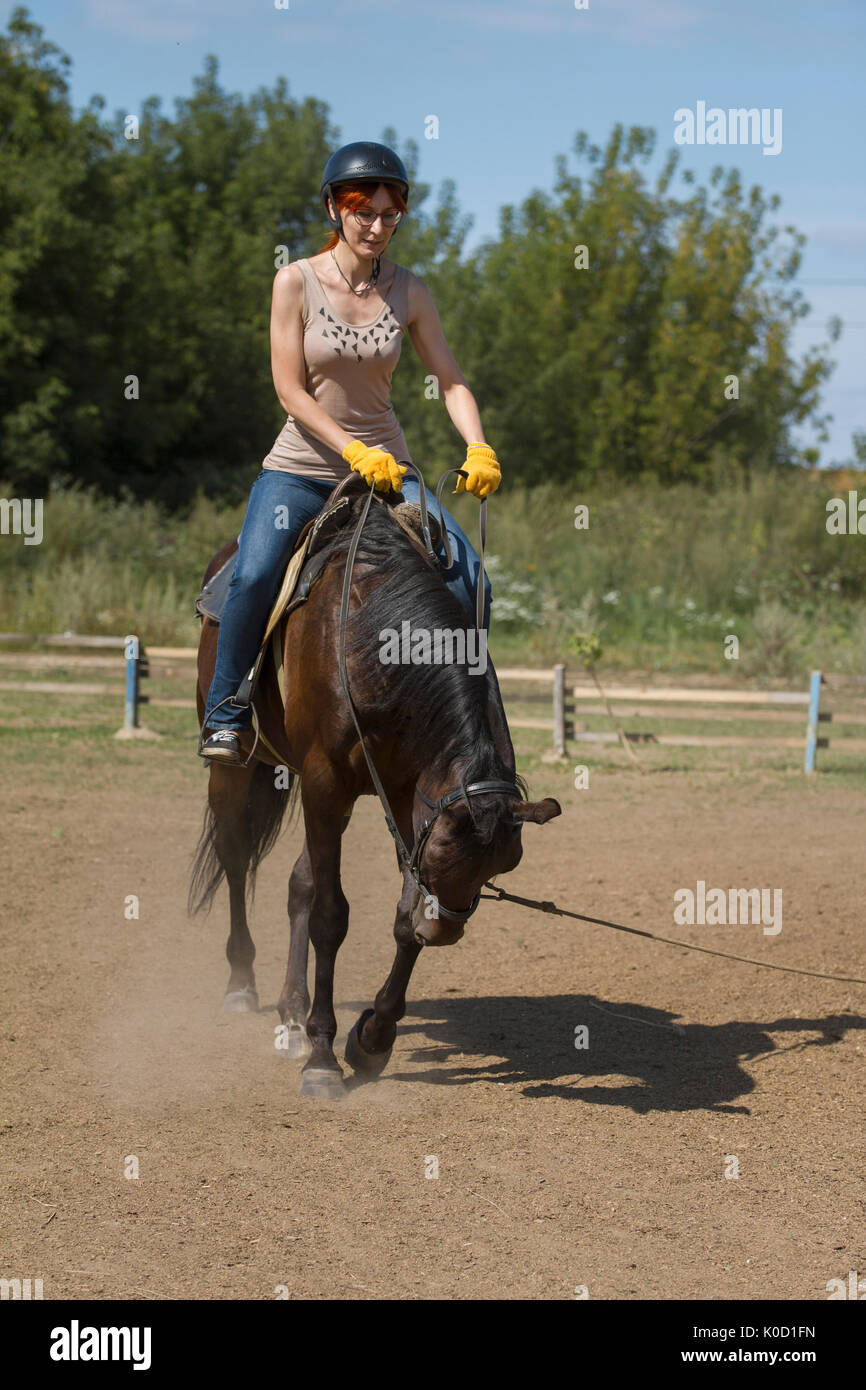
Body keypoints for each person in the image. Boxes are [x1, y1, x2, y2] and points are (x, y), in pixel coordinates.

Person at [200, 140, 501, 763]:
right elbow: (290, 390)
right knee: (253, 575)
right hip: (300, 470)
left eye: (391, 215)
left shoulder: (410, 291)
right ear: (335, 209)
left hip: (388, 474)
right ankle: (226, 714)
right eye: (364, 212)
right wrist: (353, 451)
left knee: (472, 581)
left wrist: (478, 446)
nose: (377, 227)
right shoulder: (295, 281)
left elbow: (450, 380)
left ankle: (463, 725)